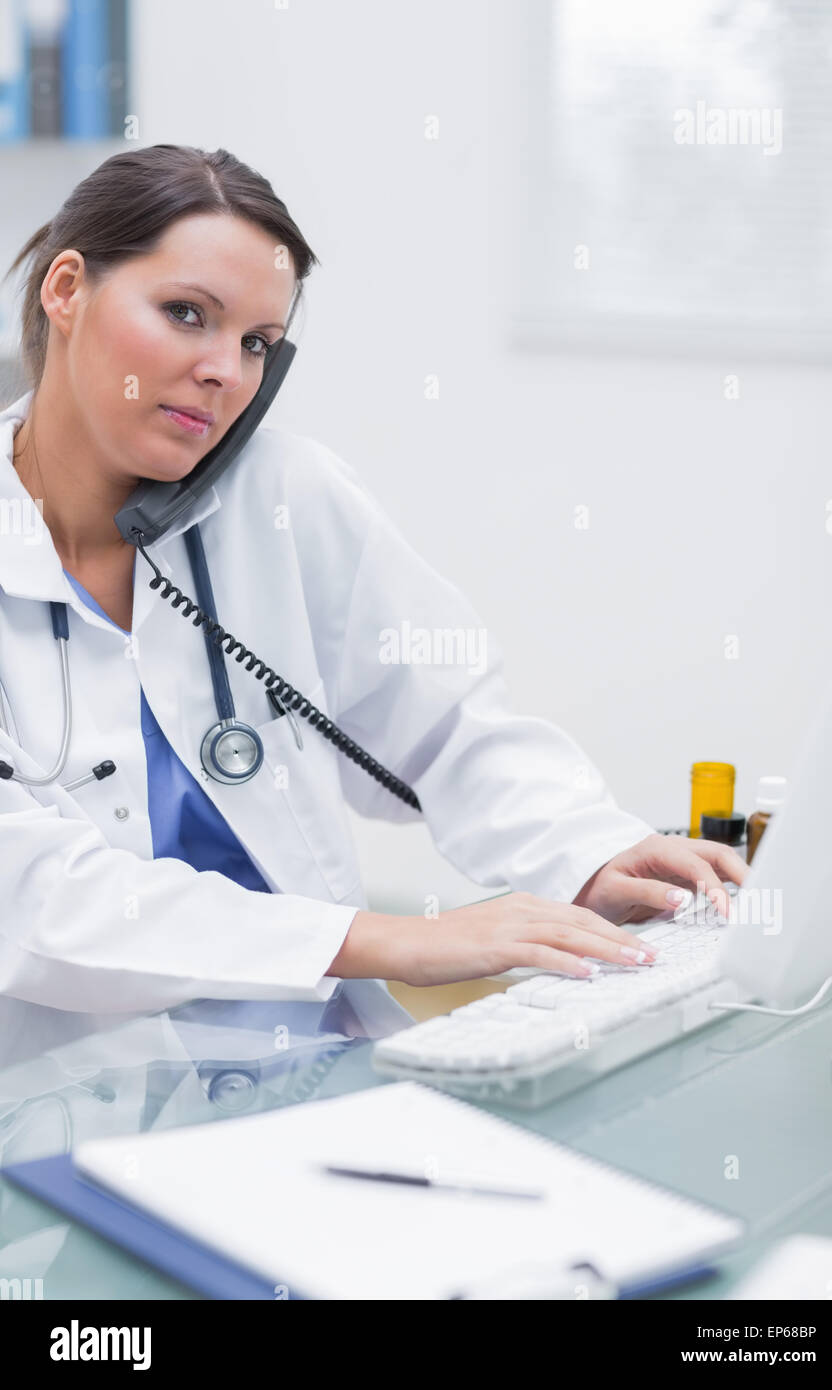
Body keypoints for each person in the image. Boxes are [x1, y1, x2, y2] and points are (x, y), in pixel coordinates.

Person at [0, 144, 745, 1061]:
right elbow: (31, 899)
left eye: (257, 345)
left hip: (315, 1058)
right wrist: (391, 940)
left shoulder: (285, 499)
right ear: (66, 290)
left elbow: (447, 725)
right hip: (60, 1096)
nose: (225, 371)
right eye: (186, 314)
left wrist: (590, 850)